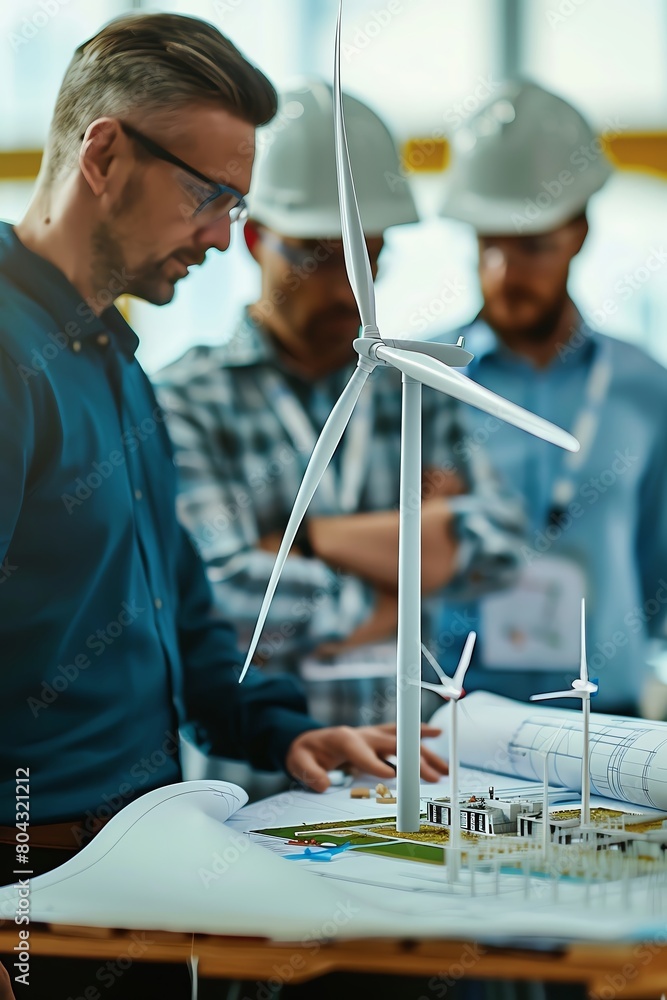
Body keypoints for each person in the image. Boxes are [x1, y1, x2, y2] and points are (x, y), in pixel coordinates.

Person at [0, 14, 446, 998]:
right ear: (106, 154)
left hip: (138, 879)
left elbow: (185, 612)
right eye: (207, 197)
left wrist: (278, 727)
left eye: (236, 204)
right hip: (33, 892)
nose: (218, 235)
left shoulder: (118, 365)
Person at [157, 80, 526, 730]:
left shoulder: (418, 387)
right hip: (257, 780)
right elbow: (224, 601)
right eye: (318, 259)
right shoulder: (185, 399)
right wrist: (403, 580)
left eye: (366, 260)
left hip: (413, 767)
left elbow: (498, 547)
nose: (345, 292)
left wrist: (304, 540)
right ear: (255, 239)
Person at [435, 80, 667, 714]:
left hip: (609, 716)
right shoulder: (417, 384)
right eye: (489, 245)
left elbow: (658, 568)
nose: (506, 275)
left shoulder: (646, 388)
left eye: (532, 246)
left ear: (579, 234)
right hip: (457, 722)